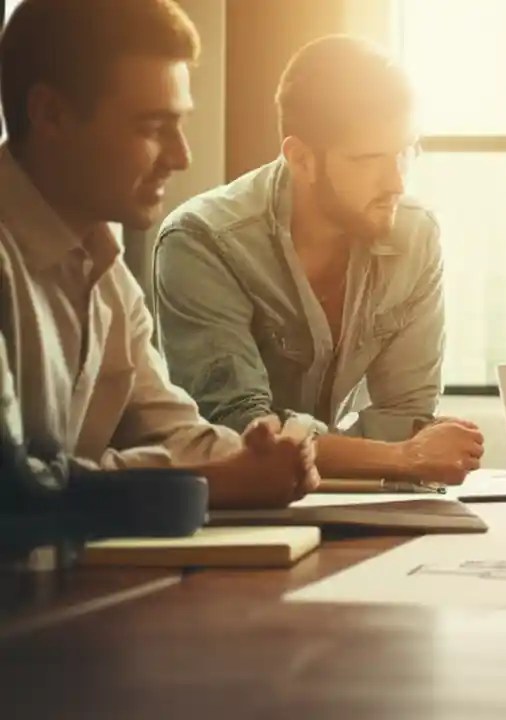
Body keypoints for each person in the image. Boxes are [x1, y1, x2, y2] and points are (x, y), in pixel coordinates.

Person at [0, 0, 317, 511]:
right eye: (152, 127)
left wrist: (266, 458)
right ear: (51, 115)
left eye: (180, 124)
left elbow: (174, 434)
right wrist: (212, 482)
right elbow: (15, 488)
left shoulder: (105, 273)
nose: (181, 156)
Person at [153, 36, 483, 487]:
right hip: (233, 507)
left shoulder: (415, 235)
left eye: (405, 152)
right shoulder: (202, 241)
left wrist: (399, 452)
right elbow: (242, 434)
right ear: (301, 158)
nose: (396, 183)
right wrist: (402, 456)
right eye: (369, 159)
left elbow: (404, 417)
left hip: (347, 498)